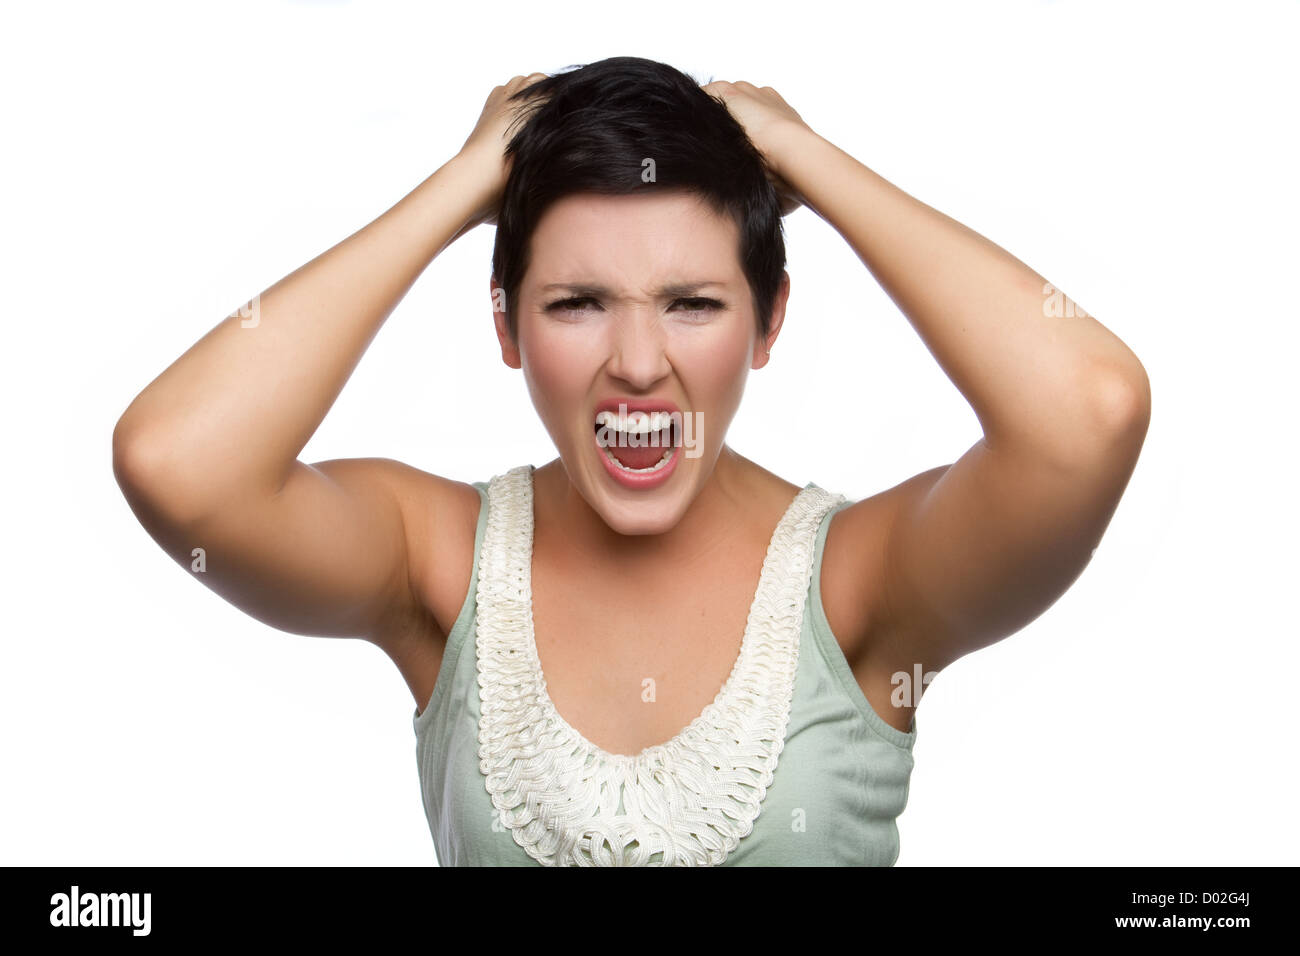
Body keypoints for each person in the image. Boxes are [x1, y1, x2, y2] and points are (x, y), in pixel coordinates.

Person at [112, 56, 1151, 866]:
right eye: (575, 302)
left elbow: (1088, 413)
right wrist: (467, 179)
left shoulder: (858, 582)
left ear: (769, 319)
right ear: (506, 325)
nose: (639, 364)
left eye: (694, 302)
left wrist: (804, 156)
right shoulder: (436, 560)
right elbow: (176, 463)